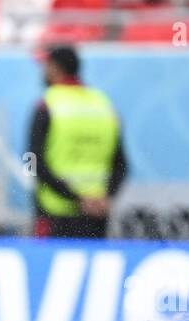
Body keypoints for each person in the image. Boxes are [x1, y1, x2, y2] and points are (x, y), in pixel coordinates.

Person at [27, 46, 128, 239]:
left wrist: (75, 198)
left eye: (45, 65)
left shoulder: (47, 104)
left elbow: (32, 160)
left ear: (55, 68)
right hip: (96, 215)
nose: (42, 71)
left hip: (55, 214)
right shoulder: (103, 104)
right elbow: (122, 164)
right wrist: (105, 197)